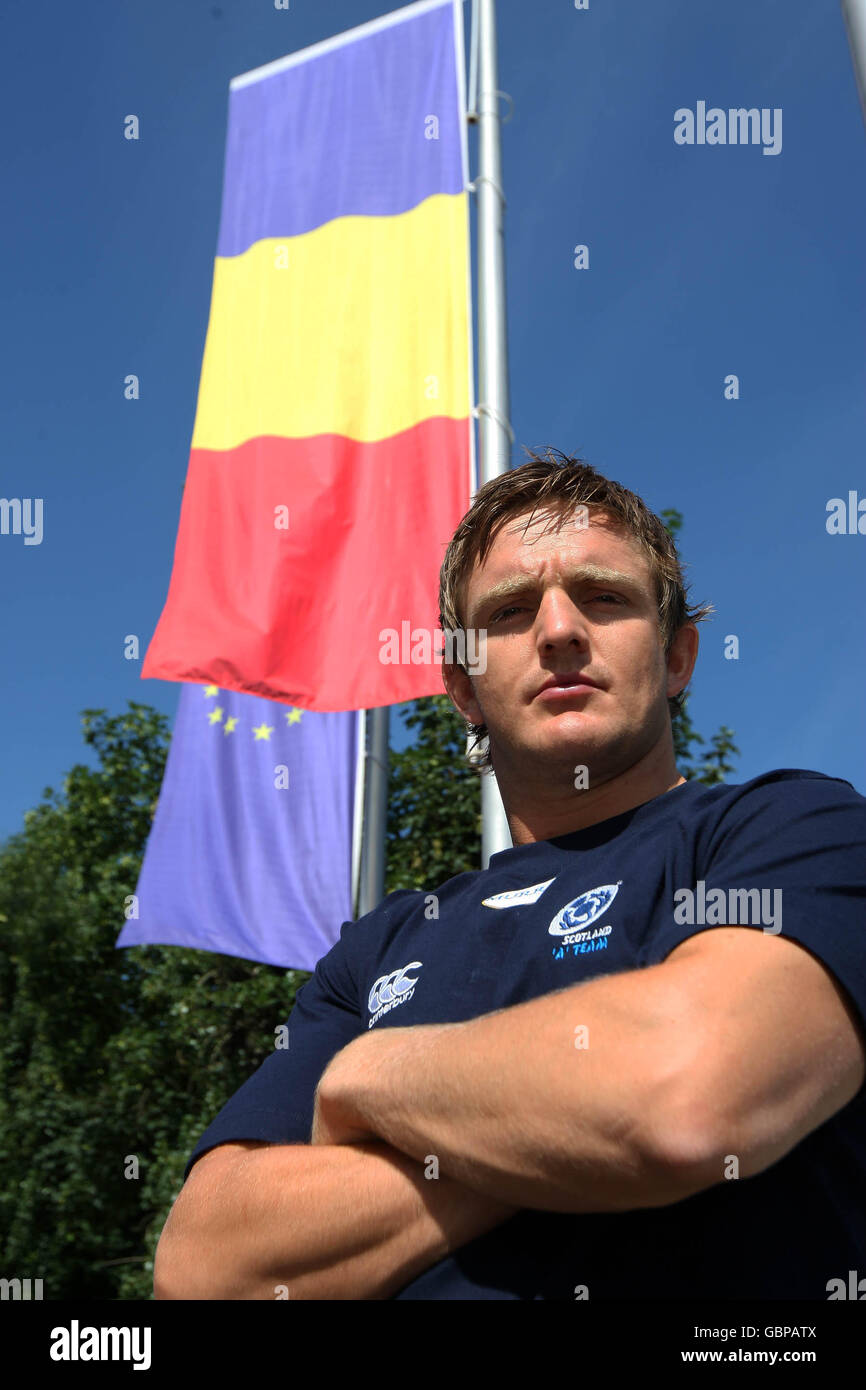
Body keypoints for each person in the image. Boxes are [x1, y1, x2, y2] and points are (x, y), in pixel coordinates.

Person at [153, 449, 866, 1300]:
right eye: (511, 610)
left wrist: (369, 1081)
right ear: (463, 688)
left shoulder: (795, 829)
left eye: (604, 597)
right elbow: (208, 1269)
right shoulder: (377, 948)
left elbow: (683, 1100)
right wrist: (564, 1130)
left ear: (678, 659)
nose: (560, 629)